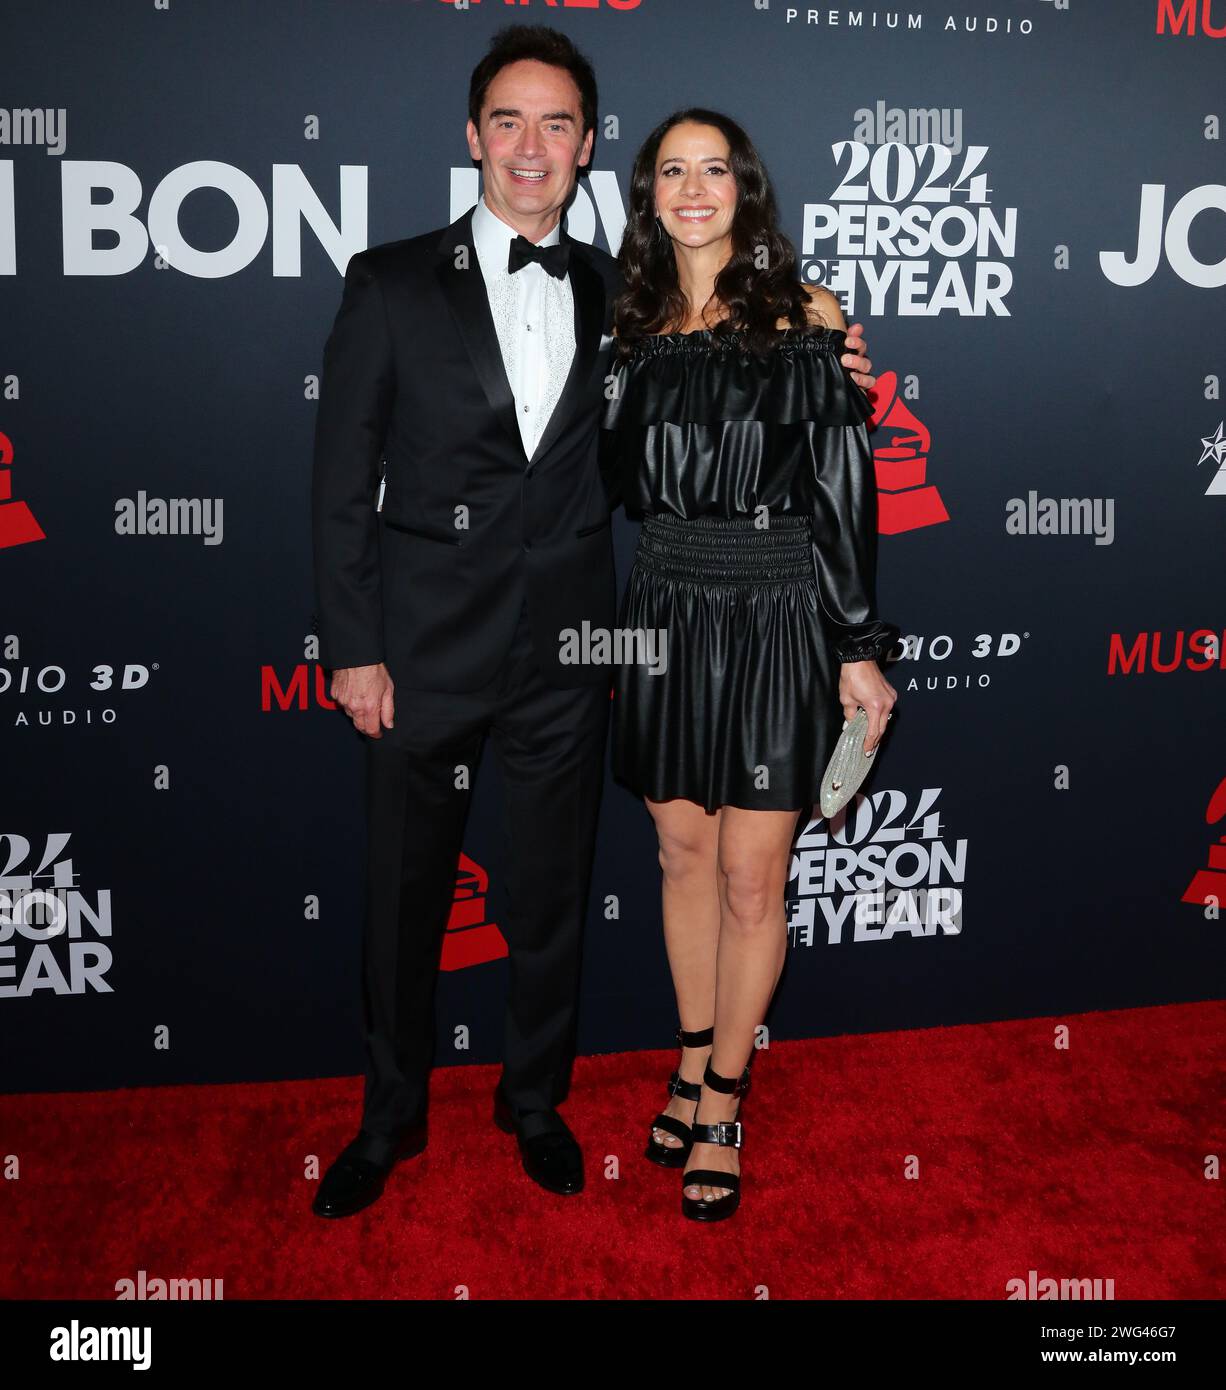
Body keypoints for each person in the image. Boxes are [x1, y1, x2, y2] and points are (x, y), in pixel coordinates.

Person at [309, 26, 878, 1219]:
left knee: (555, 890)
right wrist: (354, 645)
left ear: (583, 147)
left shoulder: (601, 294)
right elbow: (338, 475)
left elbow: (792, 453)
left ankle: (536, 1103)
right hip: (429, 647)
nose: (531, 145)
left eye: (557, 123)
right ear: (472, 138)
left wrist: (832, 369)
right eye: (508, 122)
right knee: (406, 893)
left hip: (582, 647)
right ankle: (388, 1117)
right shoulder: (396, 281)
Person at [599, 109, 900, 1222]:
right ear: (646, 193)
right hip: (664, 601)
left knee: (747, 874)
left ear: (745, 189)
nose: (691, 188)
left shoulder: (800, 312)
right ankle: (686, 1056)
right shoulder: (626, 321)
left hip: (776, 606)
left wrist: (857, 647)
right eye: (669, 170)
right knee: (680, 855)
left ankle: (723, 1098)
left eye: (712, 169)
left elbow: (840, 488)